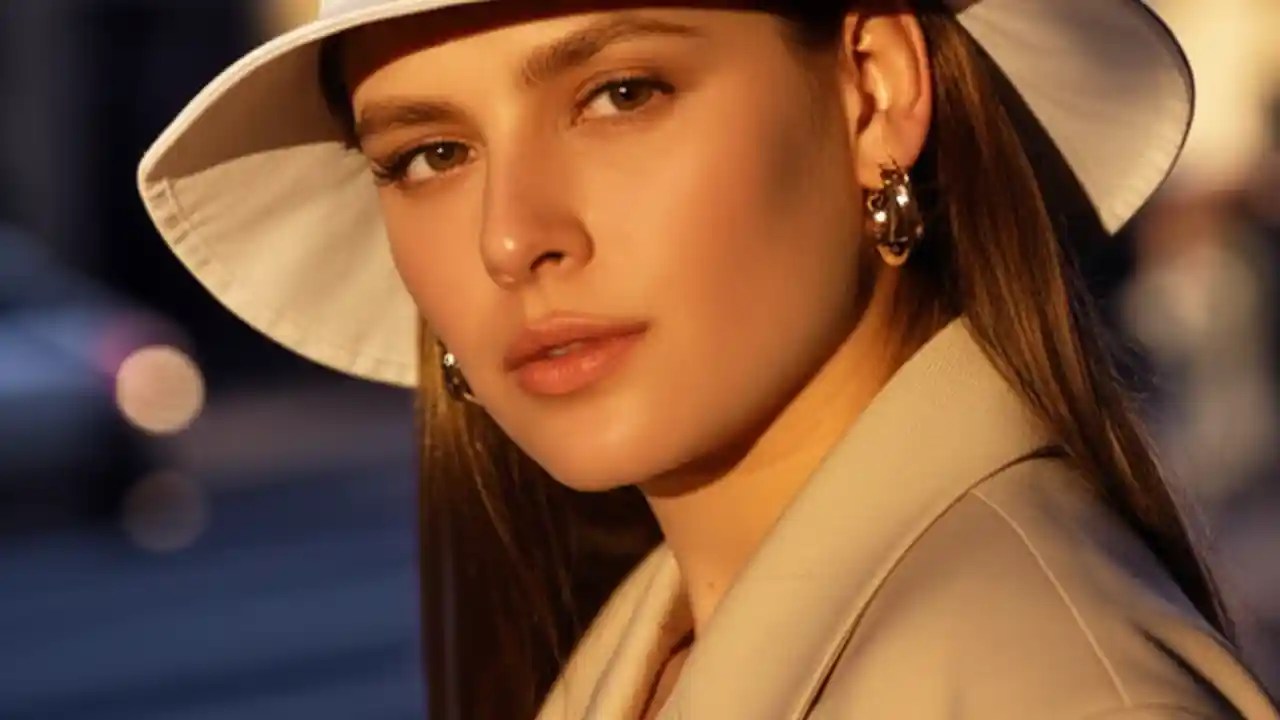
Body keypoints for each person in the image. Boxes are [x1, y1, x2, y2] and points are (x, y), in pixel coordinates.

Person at [135, 0, 1280, 717]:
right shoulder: (648, 645)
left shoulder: (1050, 690)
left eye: (619, 93)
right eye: (431, 153)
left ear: (871, 89)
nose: (509, 235)